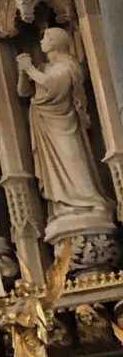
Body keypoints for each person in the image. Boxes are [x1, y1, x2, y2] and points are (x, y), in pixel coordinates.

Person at [18, 27, 113, 222]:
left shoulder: (67, 65)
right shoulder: (44, 68)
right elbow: (24, 92)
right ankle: (63, 204)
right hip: (45, 126)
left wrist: (29, 69)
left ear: (54, 42)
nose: (42, 41)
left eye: (45, 37)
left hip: (64, 123)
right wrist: (22, 72)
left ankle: (89, 200)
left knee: (73, 159)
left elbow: (54, 85)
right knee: (54, 169)